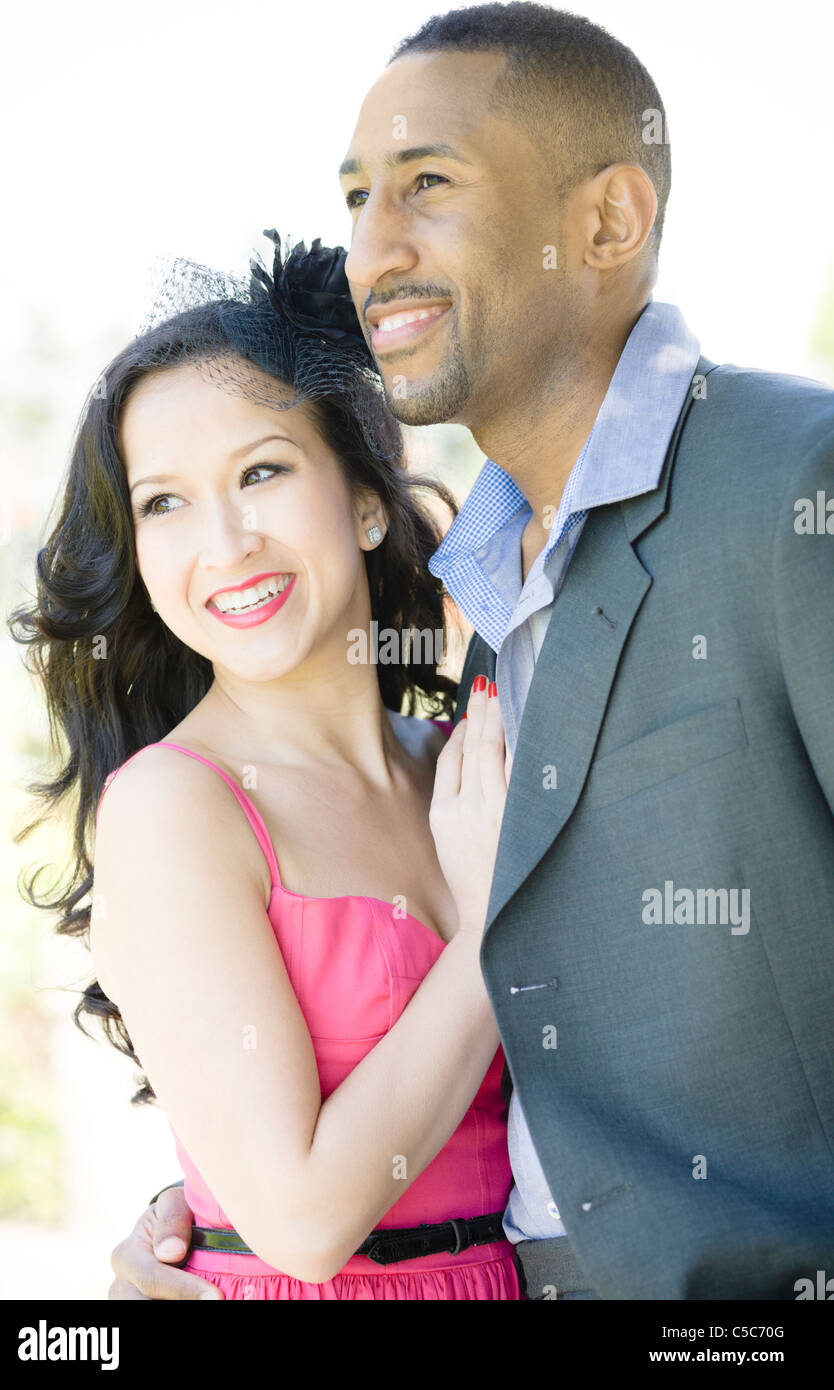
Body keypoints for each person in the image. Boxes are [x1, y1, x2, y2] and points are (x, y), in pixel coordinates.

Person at [111, 2, 834, 1301]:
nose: (369, 249)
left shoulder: (790, 482)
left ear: (605, 222)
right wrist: (206, 1223)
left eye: (425, 185)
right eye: (354, 199)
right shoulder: (481, 632)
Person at [10, 232, 524, 1299]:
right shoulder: (172, 807)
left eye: (261, 471)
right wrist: (482, 941)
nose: (226, 541)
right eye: (165, 501)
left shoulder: (463, 767)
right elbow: (298, 1221)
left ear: (366, 497)